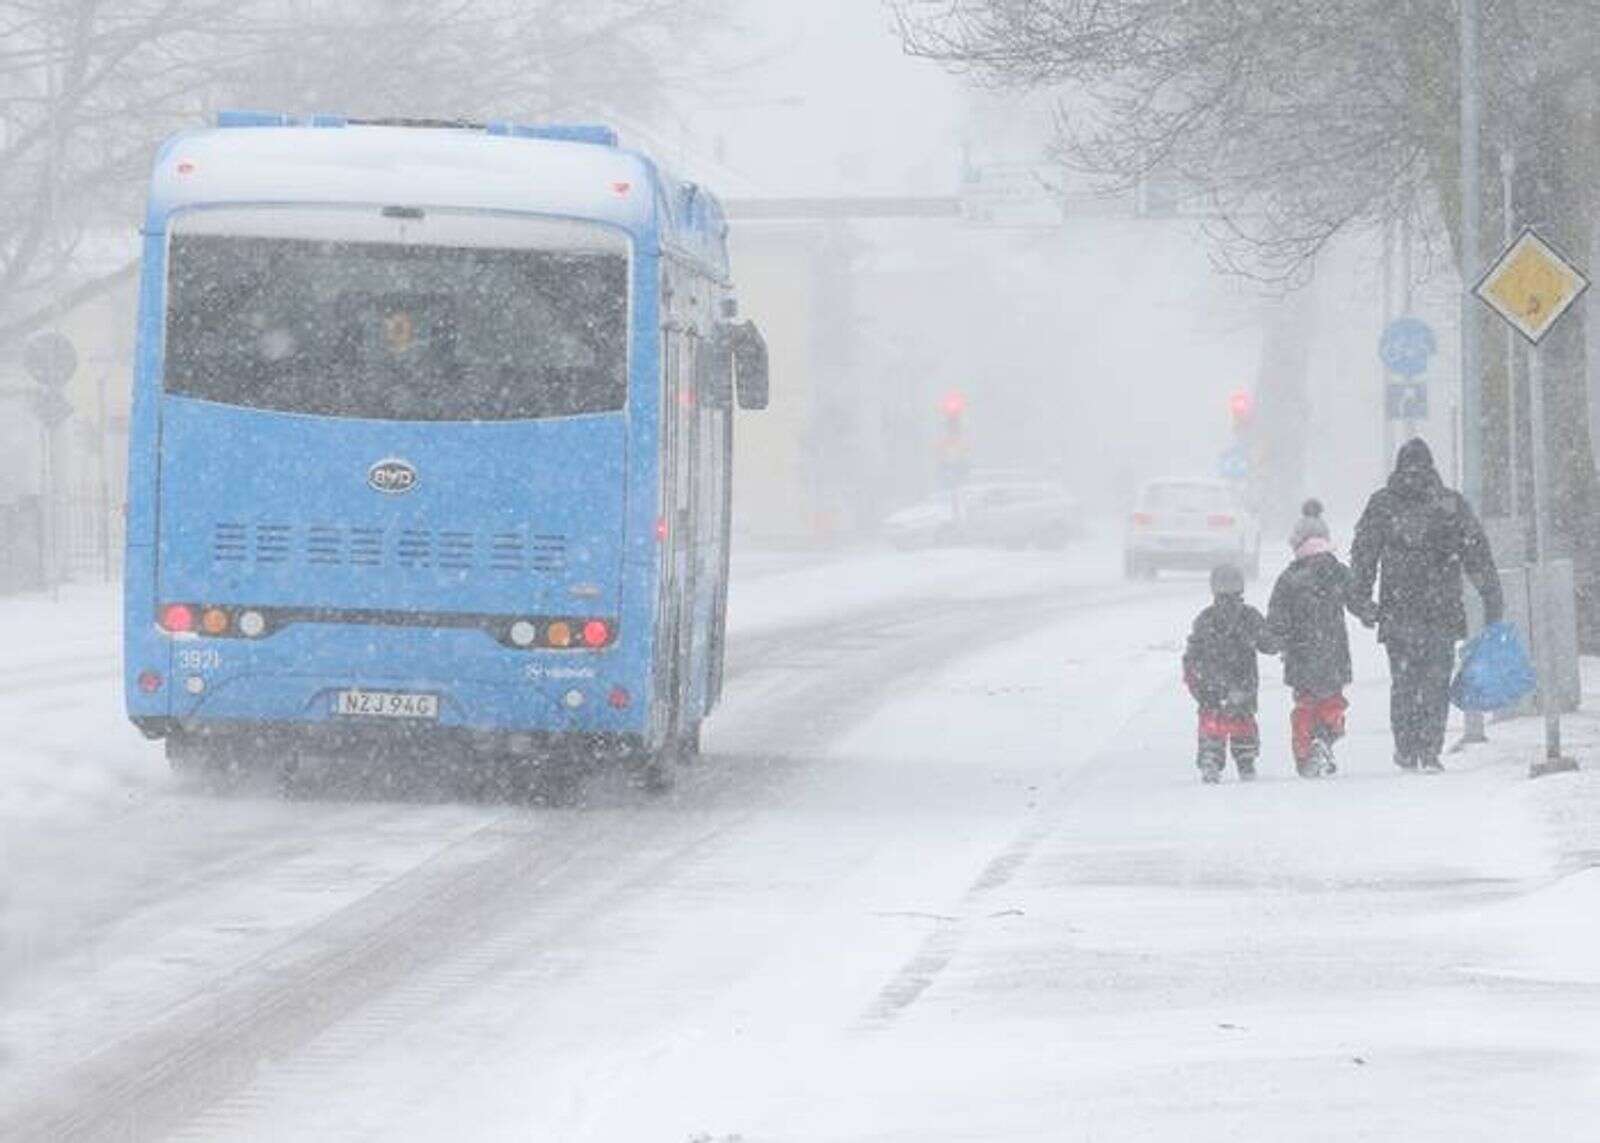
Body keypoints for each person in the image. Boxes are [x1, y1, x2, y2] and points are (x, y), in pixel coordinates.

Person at [1350, 438, 1504, 773]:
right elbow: (1477, 554)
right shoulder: (1449, 504)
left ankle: (1406, 749)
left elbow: (1363, 554)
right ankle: (1429, 750)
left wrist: (1362, 601)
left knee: (1404, 682)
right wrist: (1492, 598)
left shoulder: (1383, 504)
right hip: (1441, 610)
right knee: (1435, 681)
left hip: (1398, 610)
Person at [1268, 500, 1363, 779]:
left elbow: (1278, 617)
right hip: (1334, 651)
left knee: (1305, 704)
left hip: (1300, 654)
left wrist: (1274, 639)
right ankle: (1327, 736)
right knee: (1333, 699)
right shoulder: (1337, 571)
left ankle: (1305, 749)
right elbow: (1357, 600)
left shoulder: (1290, 578)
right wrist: (1373, 613)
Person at [1182, 563, 1276, 784]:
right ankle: (1245, 760)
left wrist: (1194, 680)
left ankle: (1210, 758)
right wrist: (1281, 642)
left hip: (1211, 686)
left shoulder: (1205, 619)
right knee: (1243, 722)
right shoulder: (1249, 616)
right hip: (1242, 682)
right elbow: (1268, 643)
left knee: (1211, 724)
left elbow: (1192, 652)